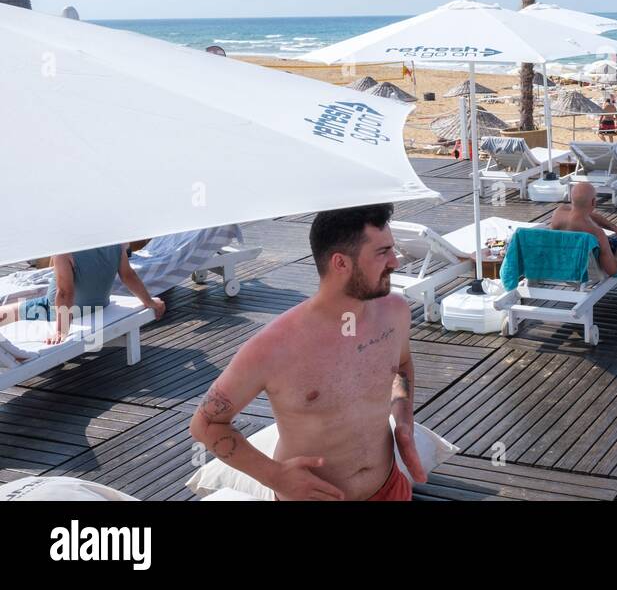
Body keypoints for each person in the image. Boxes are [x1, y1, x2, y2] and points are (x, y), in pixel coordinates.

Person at [189, 204, 424, 501]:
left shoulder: (395, 312)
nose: (395, 262)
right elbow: (205, 423)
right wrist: (274, 476)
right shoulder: (273, 348)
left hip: (389, 488)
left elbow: (401, 365)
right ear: (341, 263)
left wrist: (403, 422)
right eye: (382, 252)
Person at [0, 244, 165, 343]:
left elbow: (65, 293)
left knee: (6, 313)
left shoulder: (64, 250)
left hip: (52, 308)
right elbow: (128, 275)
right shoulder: (114, 243)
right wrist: (149, 301)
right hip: (99, 304)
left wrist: (61, 331)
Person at [550, 183, 617, 277]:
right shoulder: (597, 233)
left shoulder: (559, 213)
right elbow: (613, 270)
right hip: (594, 266)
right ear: (593, 202)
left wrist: (615, 228)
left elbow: (589, 215)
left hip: (567, 263)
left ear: (572, 199)